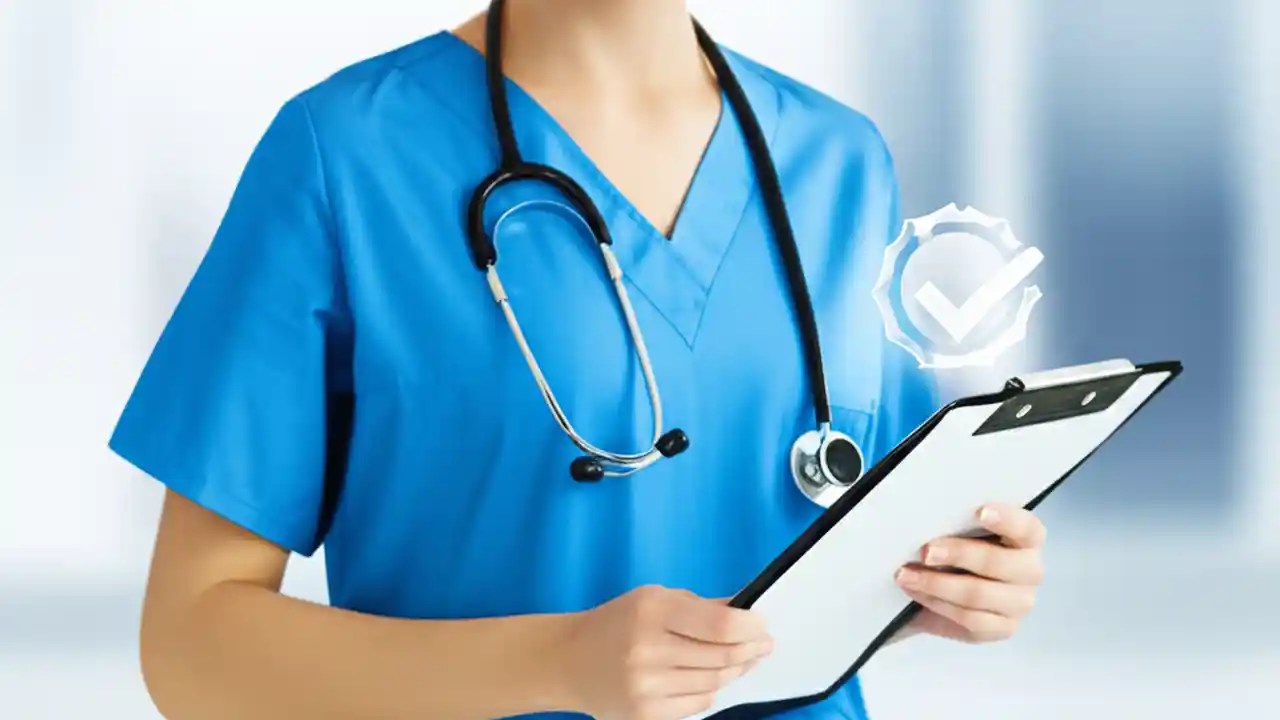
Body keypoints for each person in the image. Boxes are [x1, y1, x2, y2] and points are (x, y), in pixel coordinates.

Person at [110, 1, 1047, 718]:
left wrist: (945, 581)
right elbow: (191, 645)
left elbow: (859, 523)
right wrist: (558, 661)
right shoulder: (346, 153)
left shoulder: (840, 159)